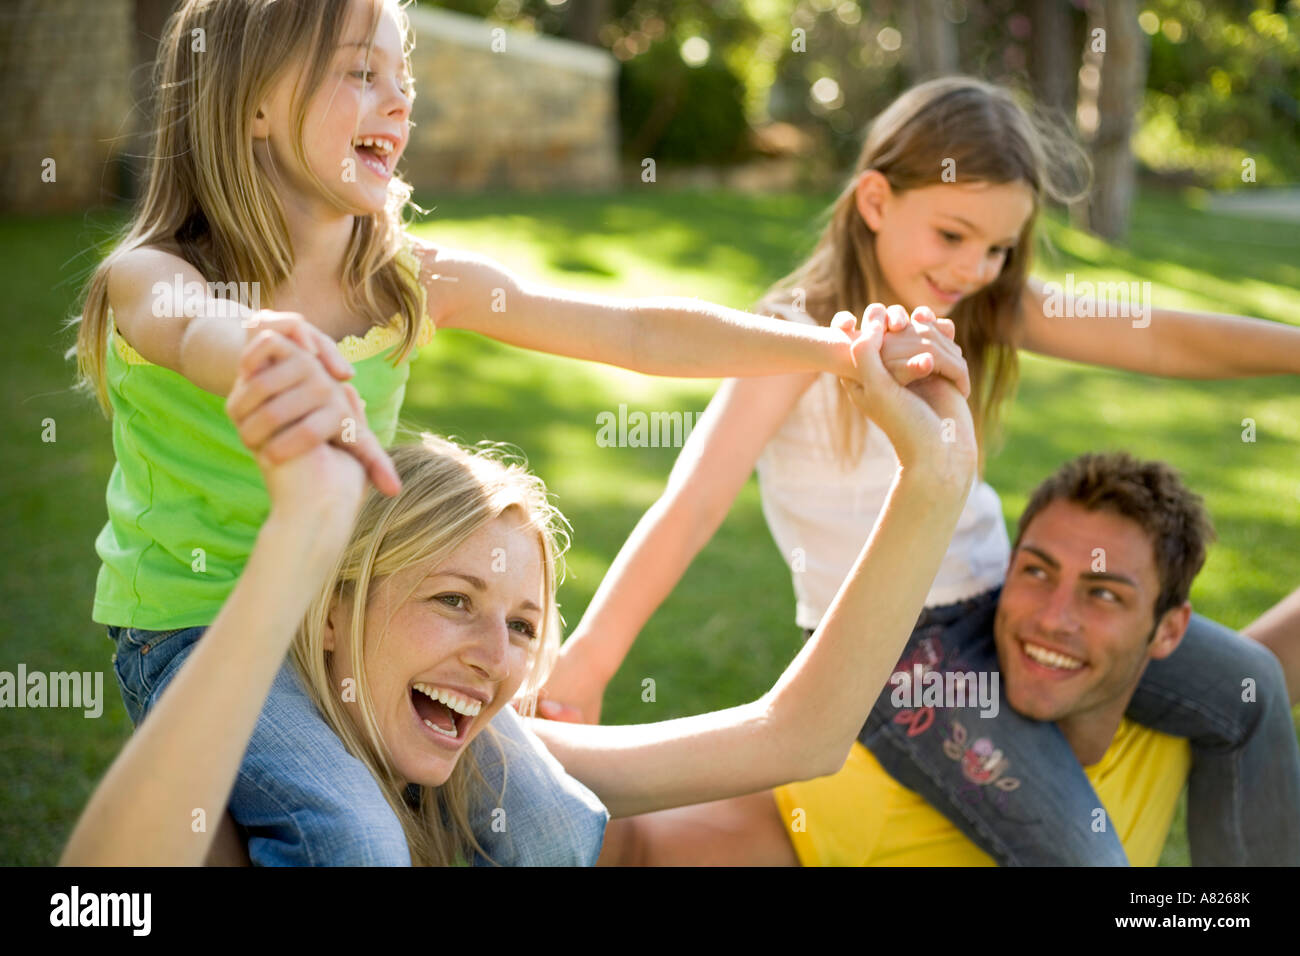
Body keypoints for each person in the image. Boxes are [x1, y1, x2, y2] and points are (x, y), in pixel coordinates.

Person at [70, 0, 964, 865]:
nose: (401, 98)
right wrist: (256, 349)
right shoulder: (152, 273)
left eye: (404, 74)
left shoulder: (405, 281)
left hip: (352, 630)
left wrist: (835, 350)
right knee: (354, 840)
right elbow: (186, 325)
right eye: (361, 71)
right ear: (253, 100)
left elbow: (634, 332)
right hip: (193, 635)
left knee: (553, 822)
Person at [542, 75, 1300, 865]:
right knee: (1089, 857)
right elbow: (692, 502)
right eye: (953, 235)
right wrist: (588, 663)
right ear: (875, 201)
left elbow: (1160, 337)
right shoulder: (799, 333)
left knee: (1247, 688)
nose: (976, 266)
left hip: (1002, 602)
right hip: (895, 657)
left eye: (1000, 247)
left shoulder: (978, 305)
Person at [62, 309, 978, 866]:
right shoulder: (218, 814)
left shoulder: (484, 766)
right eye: (452, 601)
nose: (496, 660)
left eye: (525, 624)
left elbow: (799, 737)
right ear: (333, 615)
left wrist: (937, 475)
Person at [596, 452, 1300, 866]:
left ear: (1167, 633)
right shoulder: (883, 768)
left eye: (1103, 595)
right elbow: (632, 846)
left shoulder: (1181, 719)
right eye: (1035, 572)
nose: (1053, 619)